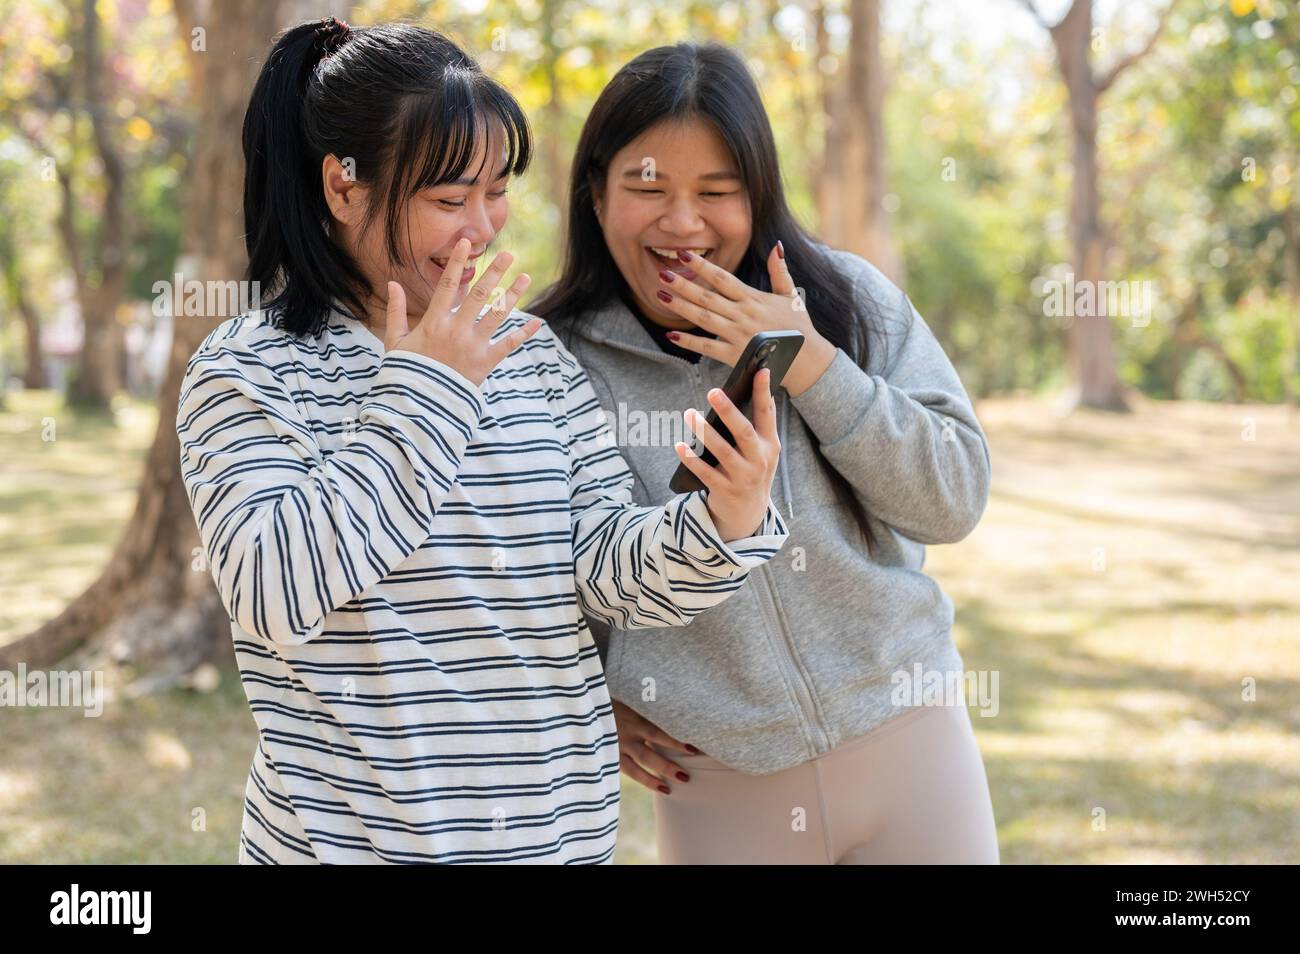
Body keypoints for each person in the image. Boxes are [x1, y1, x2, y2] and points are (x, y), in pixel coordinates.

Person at [176, 20, 787, 864]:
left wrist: (724, 519)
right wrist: (429, 389)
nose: (484, 227)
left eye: (496, 191)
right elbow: (275, 590)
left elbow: (606, 571)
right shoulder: (249, 369)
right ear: (343, 188)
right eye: (449, 198)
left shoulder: (528, 354)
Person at [530, 42, 1000, 864]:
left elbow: (954, 496)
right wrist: (591, 697)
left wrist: (810, 359)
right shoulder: (546, 363)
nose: (684, 223)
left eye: (719, 192)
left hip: (911, 742)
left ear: (760, 196)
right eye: (648, 188)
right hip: (714, 780)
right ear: (595, 194)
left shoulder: (847, 298)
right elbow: (521, 570)